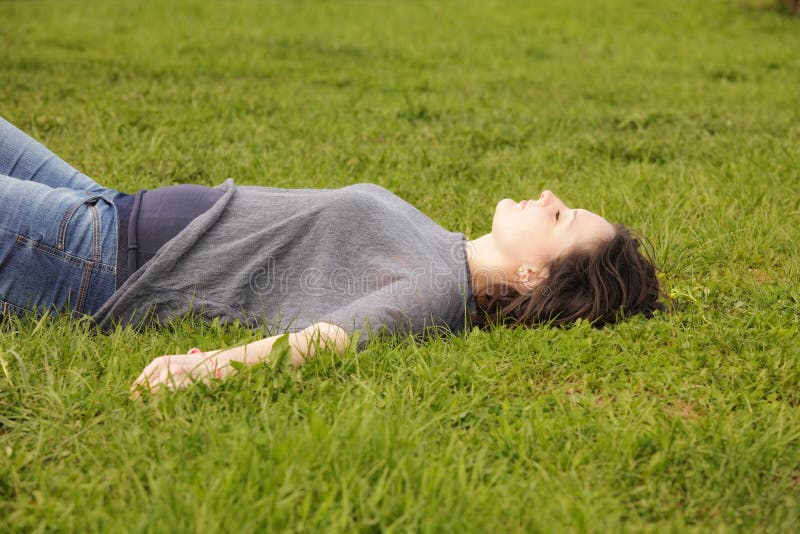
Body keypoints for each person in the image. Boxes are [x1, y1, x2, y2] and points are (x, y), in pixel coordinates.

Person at [0, 116, 663, 394]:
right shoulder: (442, 248)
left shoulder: (435, 291)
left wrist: (203, 370)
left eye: (562, 217)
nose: (550, 195)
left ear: (531, 275)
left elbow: (328, 342)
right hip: (110, 206)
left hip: (96, 260)